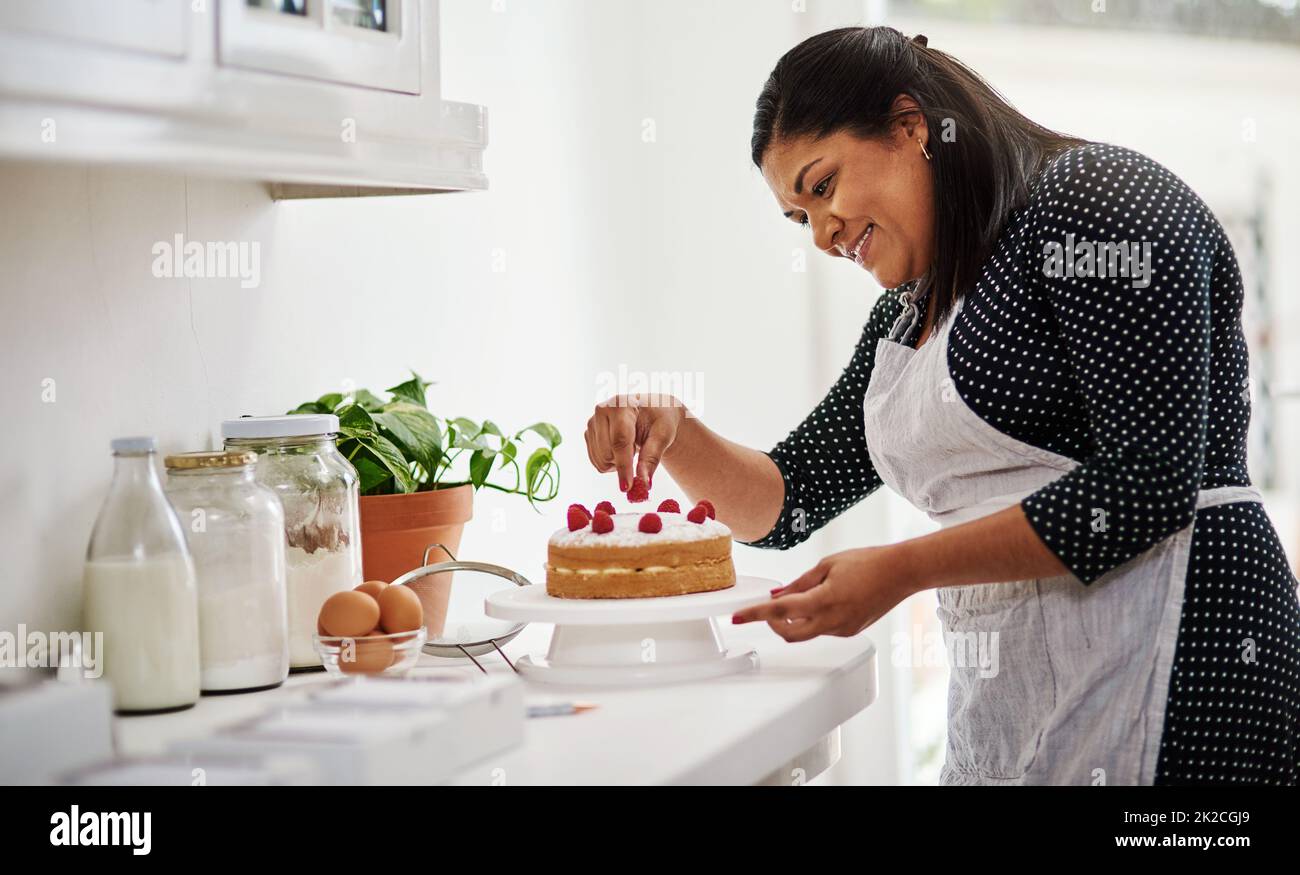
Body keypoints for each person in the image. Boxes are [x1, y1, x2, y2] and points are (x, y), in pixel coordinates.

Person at [583, 26, 1299, 786]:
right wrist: (675, 430)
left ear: (909, 126)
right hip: (1025, 697)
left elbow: (1148, 485)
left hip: (1189, 665)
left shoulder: (1096, 202)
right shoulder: (905, 316)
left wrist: (903, 570)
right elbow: (786, 503)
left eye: (822, 186)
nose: (821, 234)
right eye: (799, 218)